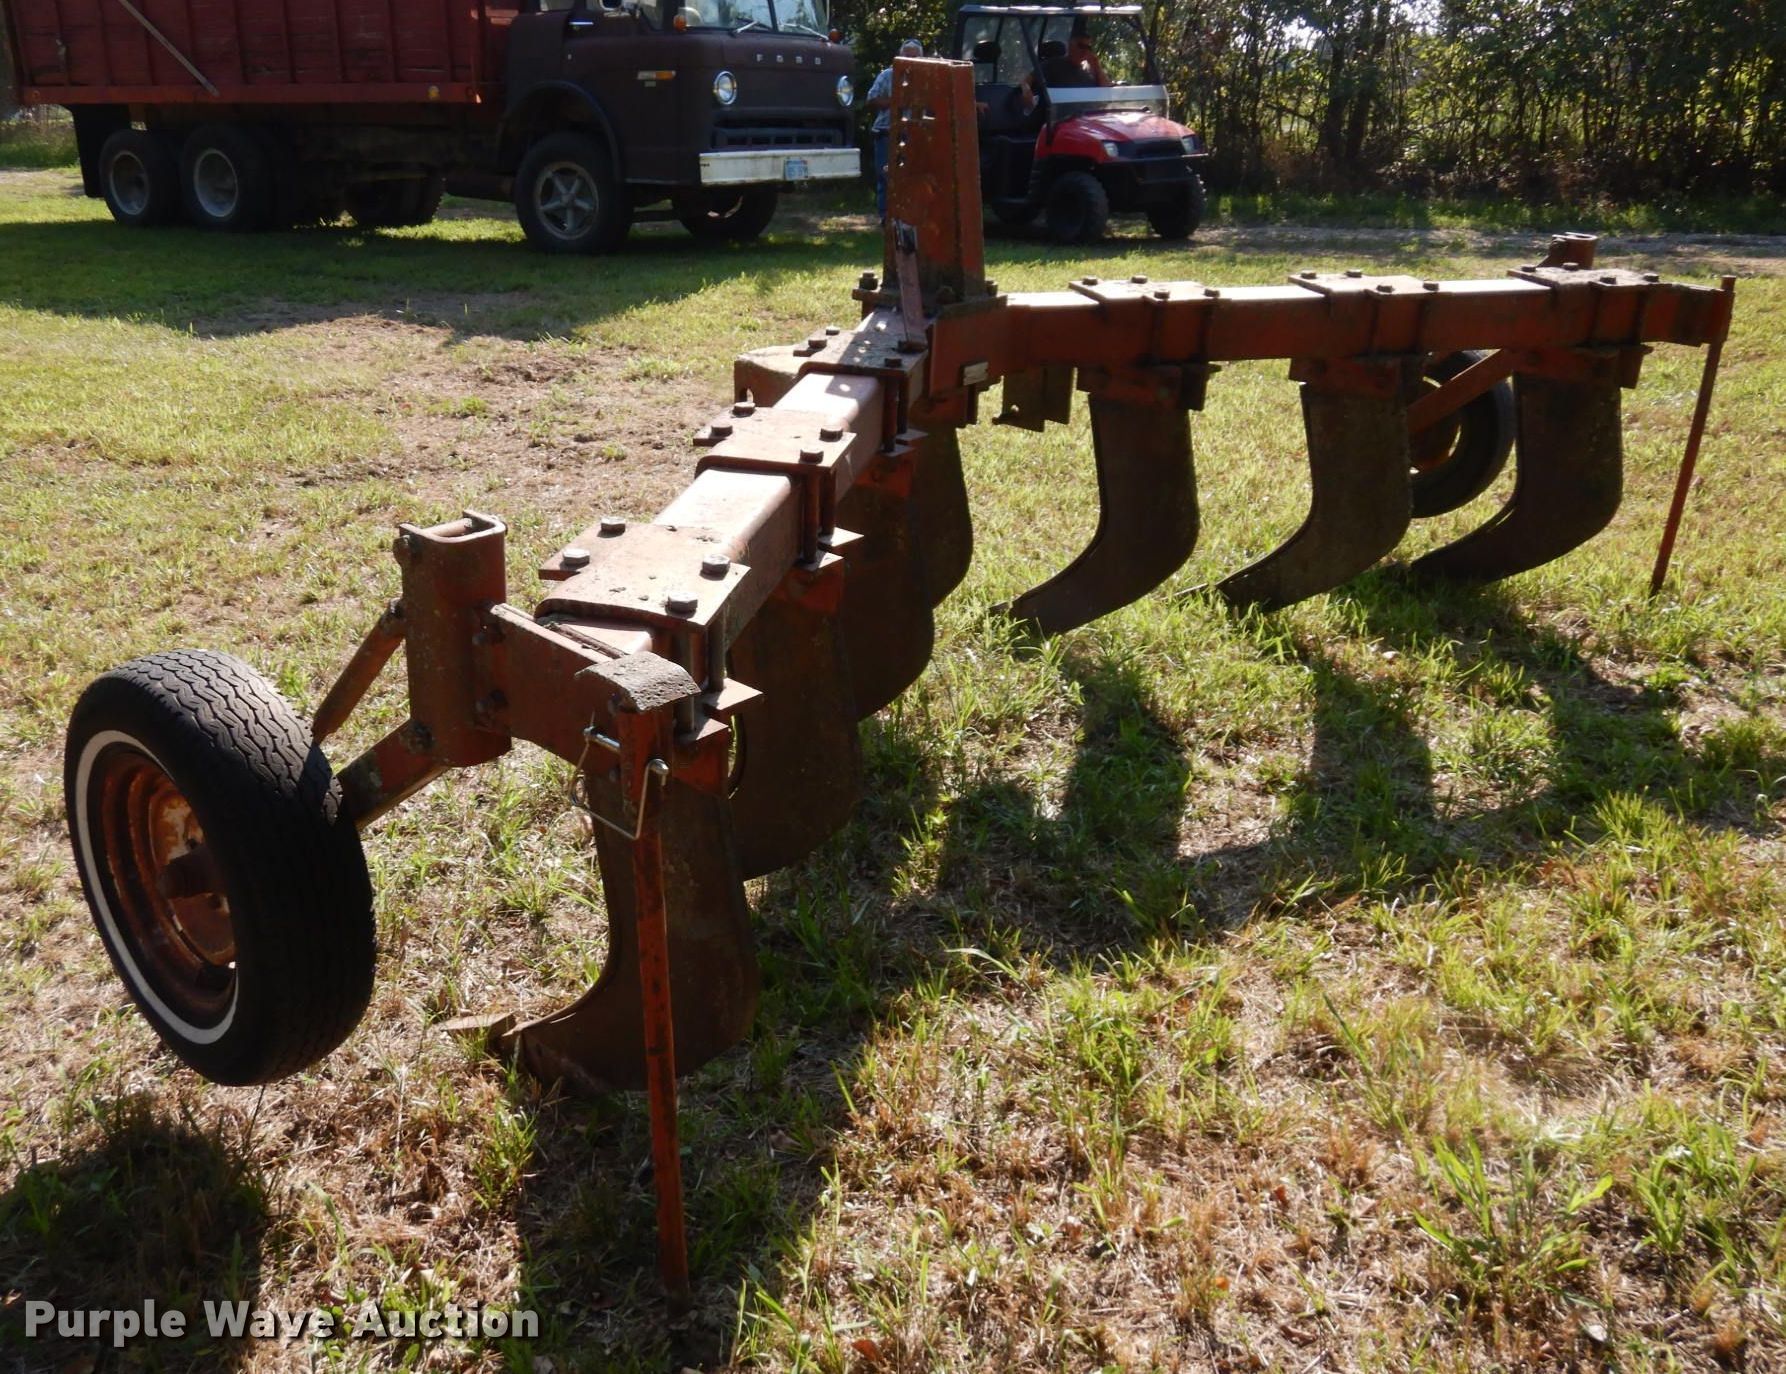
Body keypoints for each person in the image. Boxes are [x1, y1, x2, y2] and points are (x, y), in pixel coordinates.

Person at [867, 38, 922, 220]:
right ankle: (885, 217)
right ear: (899, 56)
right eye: (906, 56)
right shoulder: (887, 75)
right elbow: (871, 99)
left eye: (914, 57)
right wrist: (896, 102)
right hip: (886, 132)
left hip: (912, 132)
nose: (910, 61)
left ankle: (906, 216)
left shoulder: (925, 77)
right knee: (886, 174)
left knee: (910, 177)